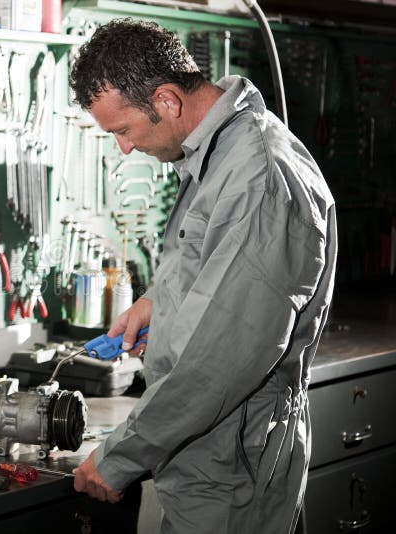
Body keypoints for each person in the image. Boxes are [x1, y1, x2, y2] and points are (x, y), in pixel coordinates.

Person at [68, 18, 337, 533]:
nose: (123, 148)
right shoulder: (215, 154)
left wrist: (121, 456)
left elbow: (220, 360)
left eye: (123, 130)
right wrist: (158, 303)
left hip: (235, 461)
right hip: (205, 457)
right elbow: (208, 263)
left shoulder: (256, 175)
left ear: (167, 100)